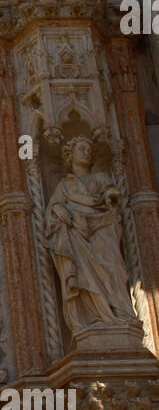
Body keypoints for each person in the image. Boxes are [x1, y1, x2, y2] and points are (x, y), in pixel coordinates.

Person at [44, 135, 138, 334]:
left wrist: (110, 196)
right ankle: (92, 319)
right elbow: (54, 206)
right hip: (77, 235)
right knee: (82, 273)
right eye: (81, 149)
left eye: (88, 149)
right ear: (70, 155)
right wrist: (57, 209)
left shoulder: (101, 177)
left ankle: (120, 314)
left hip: (103, 230)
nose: (86, 152)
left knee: (113, 268)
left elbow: (111, 194)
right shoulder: (65, 185)